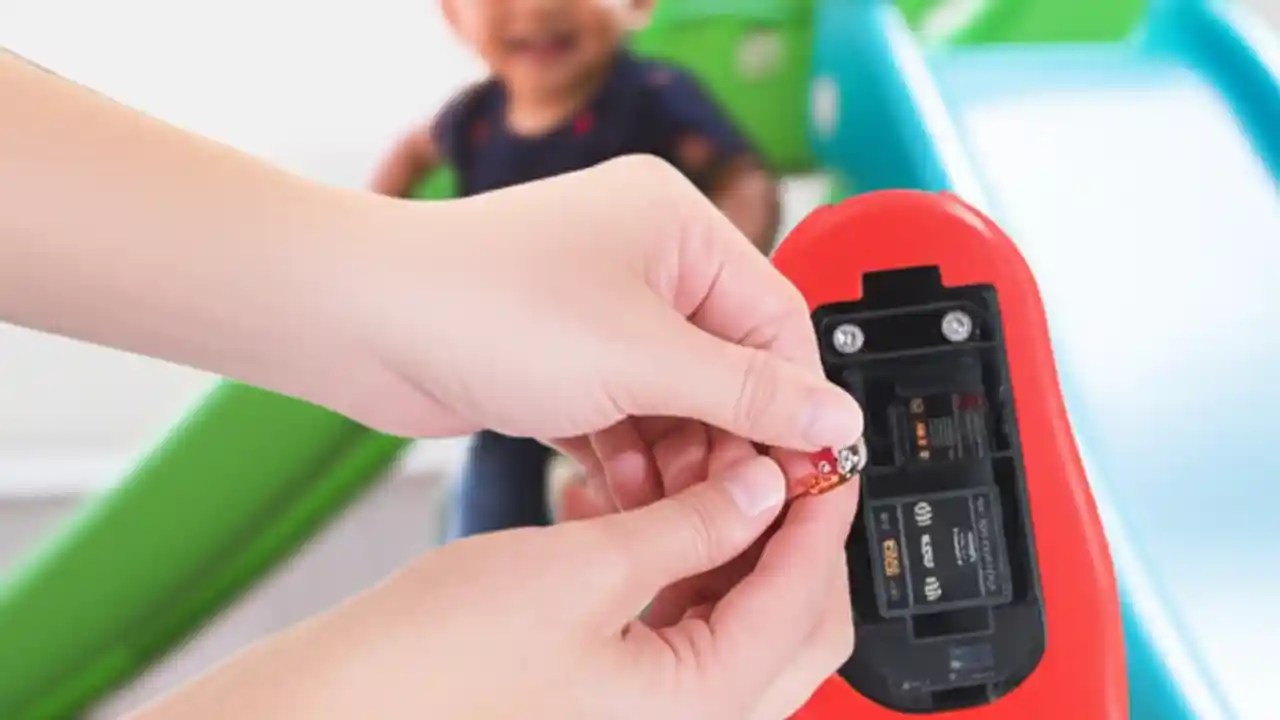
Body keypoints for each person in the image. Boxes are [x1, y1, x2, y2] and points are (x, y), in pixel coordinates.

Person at [1, 51, 862, 718]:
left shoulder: (651, 92)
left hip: (556, 379)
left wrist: (377, 274)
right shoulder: (480, 117)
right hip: (543, 397)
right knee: (515, 506)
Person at [370, 0, 782, 539]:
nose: (537, 9)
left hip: (638, 372)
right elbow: (410, 150)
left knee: (651, 508)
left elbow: (744, 181)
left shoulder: (656, 97)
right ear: (453, 14)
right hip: (507, 382)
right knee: (489, 528)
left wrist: (718, 278)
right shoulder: (473, 119)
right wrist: (379, 231)